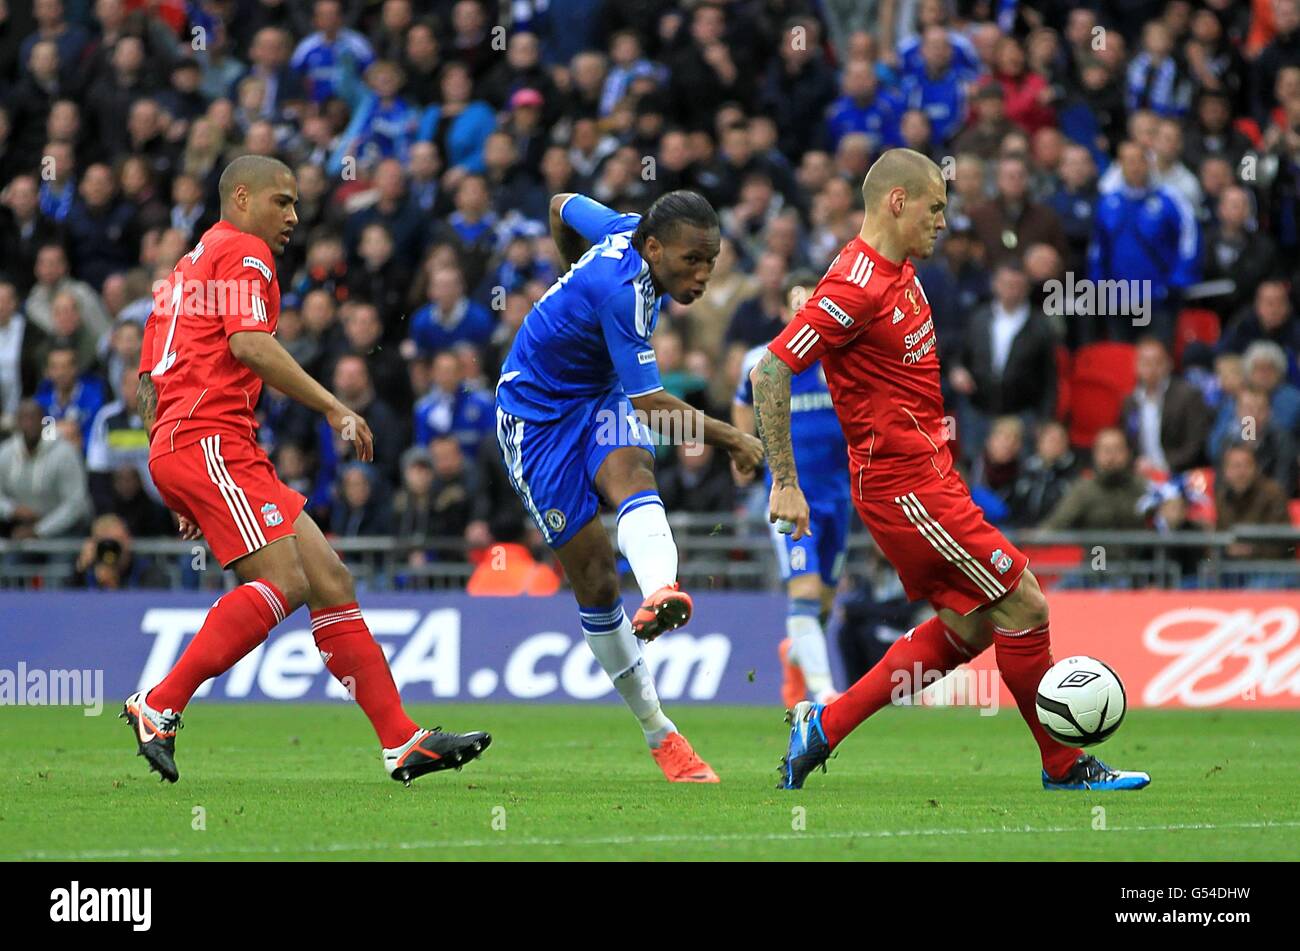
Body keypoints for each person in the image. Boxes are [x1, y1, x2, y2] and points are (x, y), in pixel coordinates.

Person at [751, 148, 1149, 791]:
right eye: (935, 207)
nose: (944, 220)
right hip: (904, 488)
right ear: (897, 202)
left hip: (930, 478)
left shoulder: (898, 268)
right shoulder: (854, 285)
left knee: (967, 628)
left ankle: (823, 727)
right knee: (1024, 604)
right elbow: (769, 369)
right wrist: (786, 481)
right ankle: (1065, 765)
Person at [127, 155, 489, 785]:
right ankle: (159, 704)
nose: (293, 216)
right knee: (286, 582)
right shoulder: (243, 252)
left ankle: (401, 742)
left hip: (196, 445)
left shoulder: (185, 270)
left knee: (329, 579)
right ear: (241, 197)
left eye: (295, 205)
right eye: (282, 202)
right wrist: (332, 405)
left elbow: (149, 383)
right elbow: (250, 345)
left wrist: (176, 480)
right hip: (213, 441)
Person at [495, 189, 764, 782]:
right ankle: (659, 733)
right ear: (653, 247)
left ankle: (662, 590)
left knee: (634, 470)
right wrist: (735, 440)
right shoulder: (622, 294)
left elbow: (561, 202)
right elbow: (653, 405)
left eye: (711, 261)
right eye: (690, 261)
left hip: (594, 398)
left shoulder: (622, 228)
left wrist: (568, 267)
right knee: (592, 580)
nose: (700, 274)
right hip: (535, 420)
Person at [734, 270, 848, 708]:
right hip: (789, 493)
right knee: (802, 593)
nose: (804, 310)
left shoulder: (839, 358)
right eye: (796, 304)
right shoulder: (761, 360)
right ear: (784, 311)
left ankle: (796, 653)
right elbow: (742, 402)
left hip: (837, 495)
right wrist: (747, 449)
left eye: (812, 303)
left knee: (822, 602)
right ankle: (824, 694)